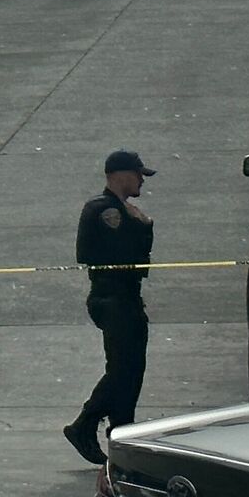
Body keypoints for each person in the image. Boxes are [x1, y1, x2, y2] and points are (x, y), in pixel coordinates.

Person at [64, 148, 157, 464]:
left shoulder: (126, 212)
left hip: (127, 297)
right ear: (120, 176)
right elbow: (114, 253)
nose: (141, 182)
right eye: (138, 175)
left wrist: (142, 224)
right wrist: (141, 225)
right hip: (112, 298)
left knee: (132, 369)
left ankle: (121, 432)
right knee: (121, 369)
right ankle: (85, 424)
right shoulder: (104, 210)